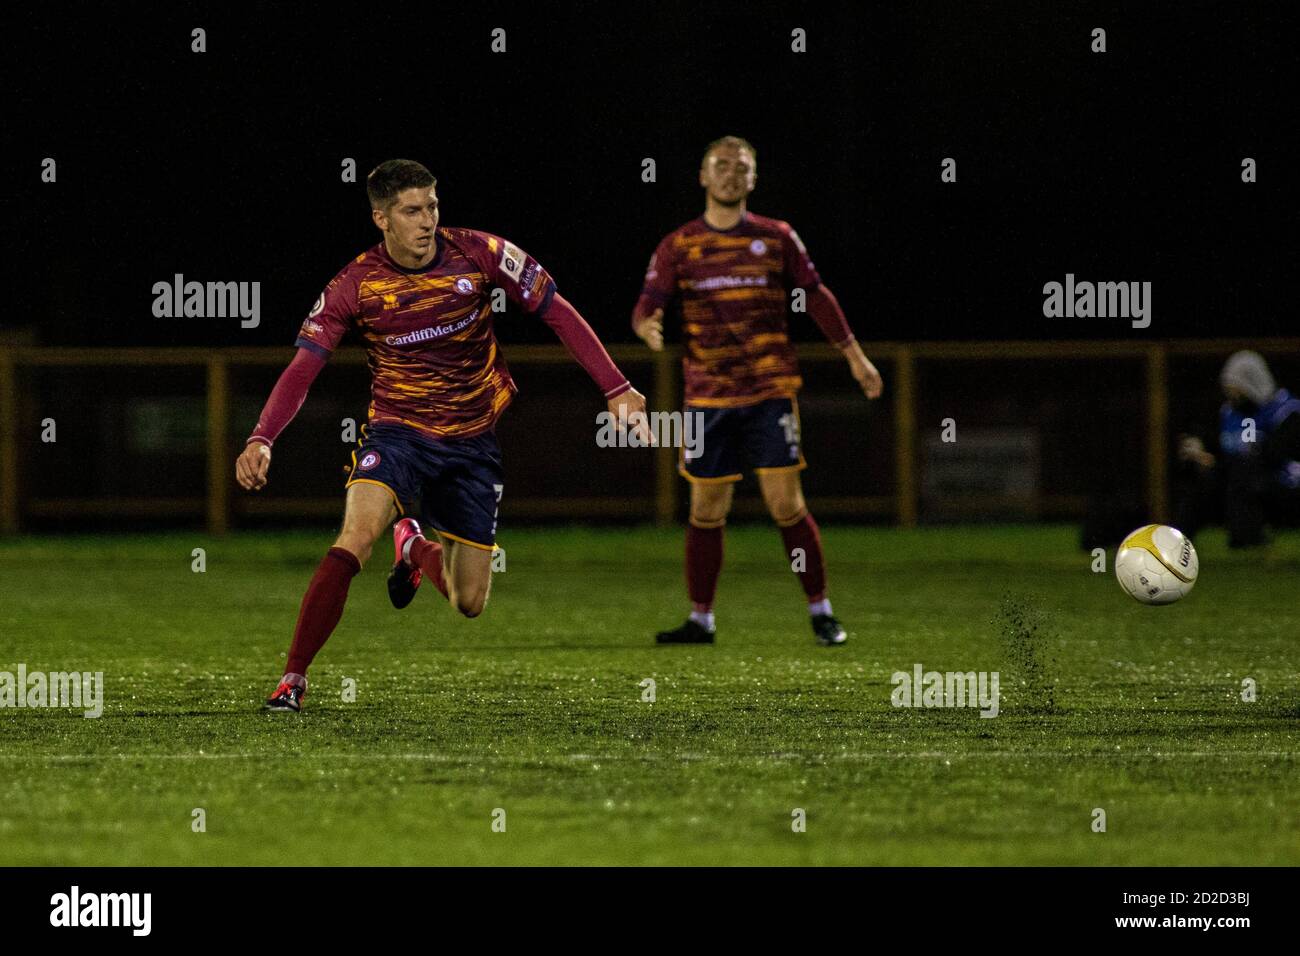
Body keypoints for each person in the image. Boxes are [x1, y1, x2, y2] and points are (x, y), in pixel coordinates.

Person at [237, 159, 649, 711]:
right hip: (396, 434)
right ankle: (292, 680)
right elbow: (304, 367)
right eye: (412, 210)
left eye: (432, 205)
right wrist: (262, 437)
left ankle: (412, 547)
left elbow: (558, 312)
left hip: (472, 442)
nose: (427, 219)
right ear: (381, 218)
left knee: (468, 601)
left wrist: (617, 386)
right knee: (355, 538)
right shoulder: (355, 285)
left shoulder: (480, 253)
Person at [632, 136, 883, 646]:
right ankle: (701, 619)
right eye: (720, 166)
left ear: (753, 178)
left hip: (769, 391)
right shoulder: (679, 244)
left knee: (786, 505)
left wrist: (854, 356)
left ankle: (821, 611)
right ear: (703, 177)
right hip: (707, 399)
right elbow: (647, 303)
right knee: (706, 511)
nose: (730, 174)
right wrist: (645, 326)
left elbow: (815, 296)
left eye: (741, 167)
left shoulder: (777, 237)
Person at [1175, 350, 1300, 547]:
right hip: (1238, 483)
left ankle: (1248, 541)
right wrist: (1200, 452)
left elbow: (1273, 455)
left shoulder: (1286, 410)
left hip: (1284, 486)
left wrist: (1226, 464)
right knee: (1203, 486)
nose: (1230, 393)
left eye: (1236, 387)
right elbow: (1219, 448)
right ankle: (1175, 544)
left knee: (1244, 476)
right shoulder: (1229, 412)